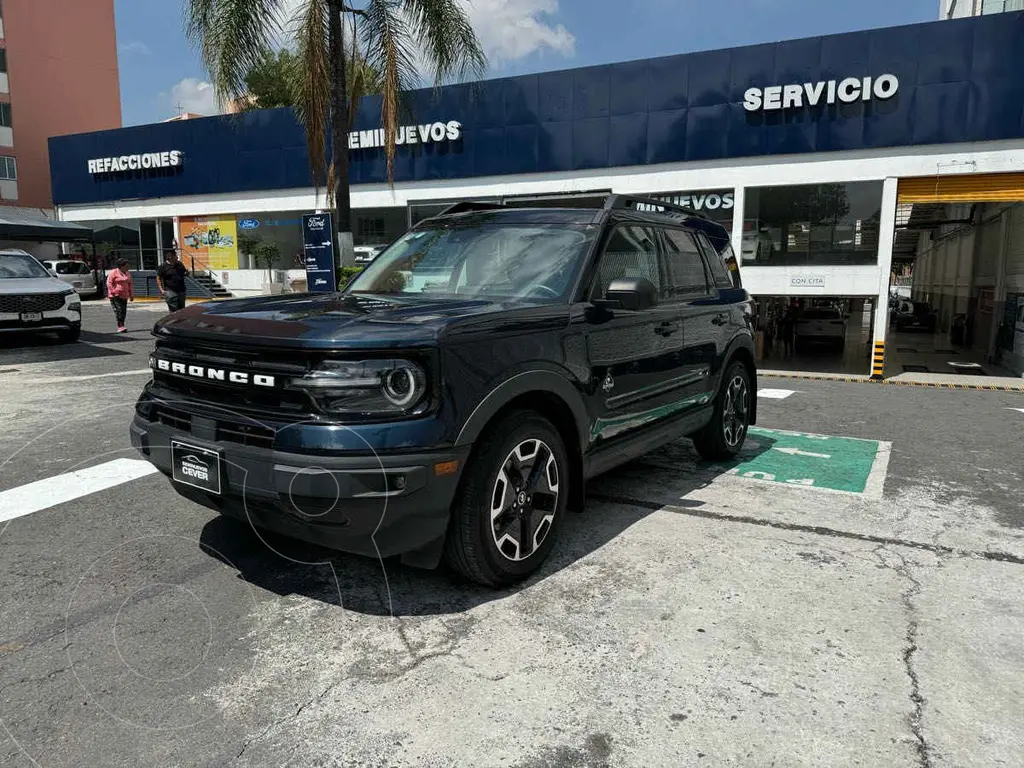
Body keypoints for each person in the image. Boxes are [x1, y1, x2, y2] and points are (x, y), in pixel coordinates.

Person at [105, 258, 134, 333]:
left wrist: (131, 294)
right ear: (121, 266)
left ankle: (122, 325)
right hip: (115, 295)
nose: (128, 267)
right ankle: (120, 326)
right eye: (127, 265)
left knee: (123, 311)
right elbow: (109, 283)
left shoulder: (127, 273)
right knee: (119, 310)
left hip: (124, 295)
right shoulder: (114, 272)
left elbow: (130, 283)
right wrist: (113, 291)